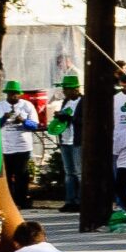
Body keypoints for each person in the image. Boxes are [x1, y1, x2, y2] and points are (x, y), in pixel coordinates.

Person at [0, 80, 38, 208]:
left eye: (15, 94)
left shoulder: (27, 105)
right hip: (6, 146)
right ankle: (9, 200)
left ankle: (21, 200)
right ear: (7, 94)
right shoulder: (0, 106)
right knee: (8, 175)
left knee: (22, 174)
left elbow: (34, 126)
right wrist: (4, 118)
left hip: (22, 146)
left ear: (19, 94)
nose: (12, 96)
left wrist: (23, 120)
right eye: (10, 94)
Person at [50, 73, 82, 212]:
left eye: (66, 89)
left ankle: (81, 201)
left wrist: (69, 118)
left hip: (77, 141)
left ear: (75, 89)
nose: (64, 91)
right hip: (65, 140)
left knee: (79, 173)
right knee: (69, 173)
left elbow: (85, 121)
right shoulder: (66, 102)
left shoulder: (83, 102)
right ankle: (70, 201)